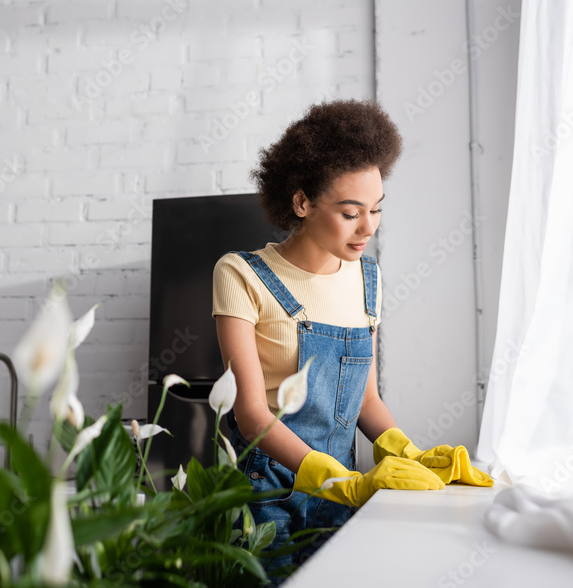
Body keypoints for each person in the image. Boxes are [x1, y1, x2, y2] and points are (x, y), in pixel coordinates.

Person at [211, 99, 492, 583]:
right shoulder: (241, 274)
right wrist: (338, 481)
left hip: (346, 488)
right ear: (302, 203)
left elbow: (364, 398)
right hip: (266, 492)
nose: (368, 227)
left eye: (377, 210)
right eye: (350, 212)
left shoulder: (367, 277)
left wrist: (404, 450)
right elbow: (251, 414)